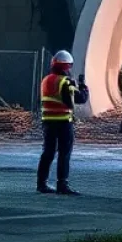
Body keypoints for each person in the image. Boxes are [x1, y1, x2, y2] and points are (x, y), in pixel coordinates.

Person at [37, 49, 89, 195]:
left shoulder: (46, 80)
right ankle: (62, 185)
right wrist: (83, 87)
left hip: (47, 122)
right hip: (63, 122)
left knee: (48, 152)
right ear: (66, 66)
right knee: (64, 153)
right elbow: (80, 99)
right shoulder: (65, 81)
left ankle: (41, 183)